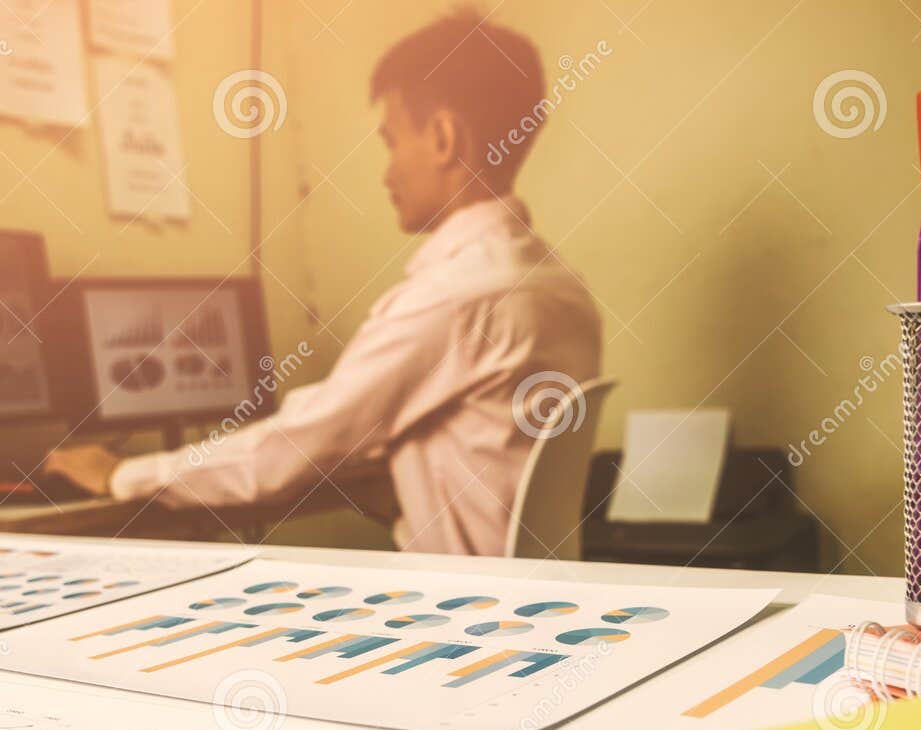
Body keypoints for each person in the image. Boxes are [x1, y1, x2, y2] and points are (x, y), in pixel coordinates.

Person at [45, 9, 601, 555]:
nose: (386, 172)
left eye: (391, 141)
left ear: (442, 137)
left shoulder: (454, 296)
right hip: (537, 593)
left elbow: (290, 452)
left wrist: (121, 474)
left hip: (462, 600)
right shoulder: (560, 285)